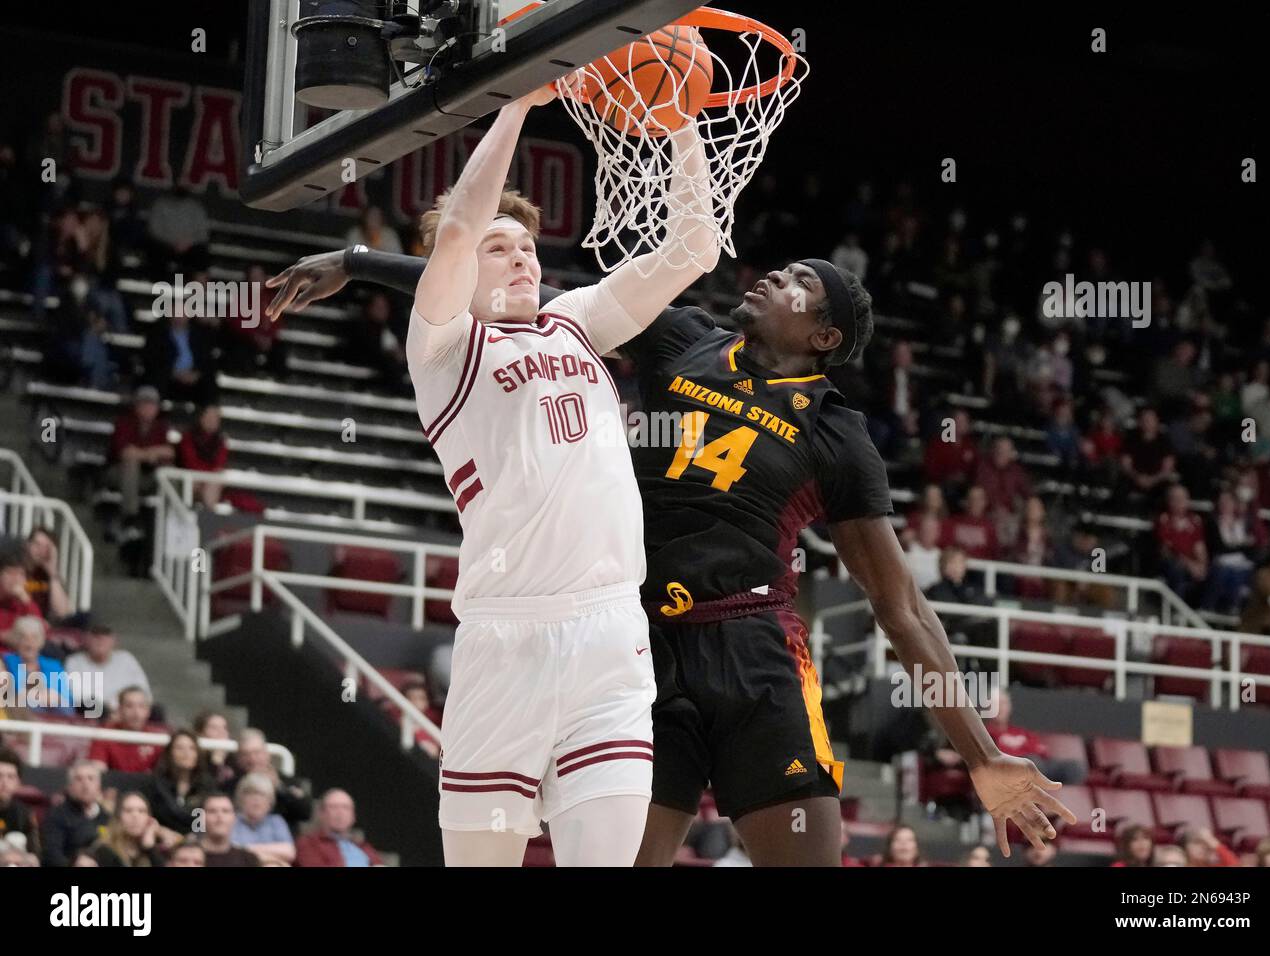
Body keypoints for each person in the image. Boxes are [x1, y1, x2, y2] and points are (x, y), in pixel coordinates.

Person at [267, 188, 1075, 871]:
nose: (772, 278)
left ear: (824, 339)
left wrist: (979, 754)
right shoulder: (683, 340)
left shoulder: (837, 433)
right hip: (639, 652)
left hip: (756, 655)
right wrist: (360, 263)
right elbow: (511, 302)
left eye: (798, 283)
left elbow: (901, 607)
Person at [273, 81, 720, 868]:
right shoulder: (442, 349)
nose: (521, 258)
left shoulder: (578, 320)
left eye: (528, 248)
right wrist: (516, 101)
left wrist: (680, 123)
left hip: (612, 634)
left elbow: (695, 249)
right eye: (499, 247)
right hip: (504, 639)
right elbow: (453, 238)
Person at [104, 385, 174, 539]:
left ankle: (173, 520)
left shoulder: (160, 427)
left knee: (169, 471)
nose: (149, 408)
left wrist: (144, 454)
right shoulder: (124, 422)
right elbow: (125, 453)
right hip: (117, 473)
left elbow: (169, 452)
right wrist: (150, 454)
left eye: (152, 404)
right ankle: (130, 517)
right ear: (137, 405)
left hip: (148, 475)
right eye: (145, 403)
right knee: (131, 464)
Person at [227, 728, 313, 831]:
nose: (252, 759)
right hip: (239, 841)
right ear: (238, 759)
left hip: (281, 843)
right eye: (246, 754)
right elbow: (203, 818)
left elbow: (306, 813)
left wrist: (279, 787)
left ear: (267, 754)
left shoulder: (288, 782)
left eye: (257, 753)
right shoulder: (229, 786)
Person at [63, 623, 150, 715]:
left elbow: (143, 690)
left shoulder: (126, 659)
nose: (100, 640)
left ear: (114, 641)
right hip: (92, 712)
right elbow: (76, 696)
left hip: (125, 711)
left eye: (105, 636)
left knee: (155, 711)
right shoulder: (74, 662)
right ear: (87, 640)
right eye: (96, 636)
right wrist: (109, 710)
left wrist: (120, 709)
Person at [143, 730, 212, 844]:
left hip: (195, 844)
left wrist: (194, 836)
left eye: (192, 748)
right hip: (160, 842)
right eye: (179, 748)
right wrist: (160, 830)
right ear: (169, 753)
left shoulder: (207, 785)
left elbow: (207, 819)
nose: (186, 753)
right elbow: (146, 815)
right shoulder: (155, 784)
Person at [40, 760, 111, 867]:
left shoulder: (108, 817)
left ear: (99, 786)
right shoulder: (56, 816)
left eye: (91, 778)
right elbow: (52, 855)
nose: (85, 784)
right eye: (79, 779)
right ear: (69, 787)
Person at [294, 789, 384, 867]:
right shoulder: (307, 844)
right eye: (333, 807)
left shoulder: (363, 846)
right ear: (321, 814)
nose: (340, 813)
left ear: (353, 816)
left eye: (346, 808)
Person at [3, 615, 74, 713]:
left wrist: (52, 697)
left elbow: (68, 701)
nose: (29, 642)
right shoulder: (6, 662)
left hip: (53, 718)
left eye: (34, 637)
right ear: (16, 640)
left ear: (41, 641)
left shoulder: (53, 666)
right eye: (23, 637)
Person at [87, 686, 167, 772]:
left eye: (141, 706)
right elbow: (98, 772)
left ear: (148, 711)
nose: (136, 712)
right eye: (129, 706)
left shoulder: (158, 738)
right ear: (120, 709)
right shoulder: (104, 734)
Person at [231, 772, 296, 865]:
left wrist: (246, 849)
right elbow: (231, 852)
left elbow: (289, 852)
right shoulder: (232, 820)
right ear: (241, 799)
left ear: (270, 802)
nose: (256, 799)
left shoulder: (276, 822)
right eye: (251, 794)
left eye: (262, 795)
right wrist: (273, 857)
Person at [87, 791, 166, 867]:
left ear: (149, 819)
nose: (135, 816)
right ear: (118, 817)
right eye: (128, 811)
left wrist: (149, 847)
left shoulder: (152, 852)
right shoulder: (104, 851)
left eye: (141, 811)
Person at [176, 403, 228, 509]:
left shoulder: (221, 441)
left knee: (215, 481)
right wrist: (206, 475)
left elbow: (219, 464)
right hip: (188, 478)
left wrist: (207, 477)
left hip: (208, 483)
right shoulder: (188, 437)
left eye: (215, 418)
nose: (211, 421)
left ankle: (209, 517)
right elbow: (189, 462)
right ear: (201, 418)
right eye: (209, 417)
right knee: (195, 480)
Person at [22, 526, 74, 623]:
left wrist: (52, 573)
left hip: (43, 628)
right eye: (37, 544)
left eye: (46, 547)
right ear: (27, 544)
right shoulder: (13, 568)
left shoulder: (50, 577)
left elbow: (63, 613)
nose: (40, 550)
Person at [196, 793, 261, 867]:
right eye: (212, 811)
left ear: (234, 818)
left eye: (225, 811)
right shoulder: (188, 859)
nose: (219, 816)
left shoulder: (249, 860)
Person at [0, 746, 38, 857]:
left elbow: (35, 855)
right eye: (0, 776)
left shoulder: (24, 813)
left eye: (10, 777)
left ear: (18, 783)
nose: (4, 782)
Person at [0, 553, 45, 635]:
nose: (16, 579)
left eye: (21, 574)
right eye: (10, 572)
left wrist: (25, 599)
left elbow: (39, 631)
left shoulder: (23, 602)